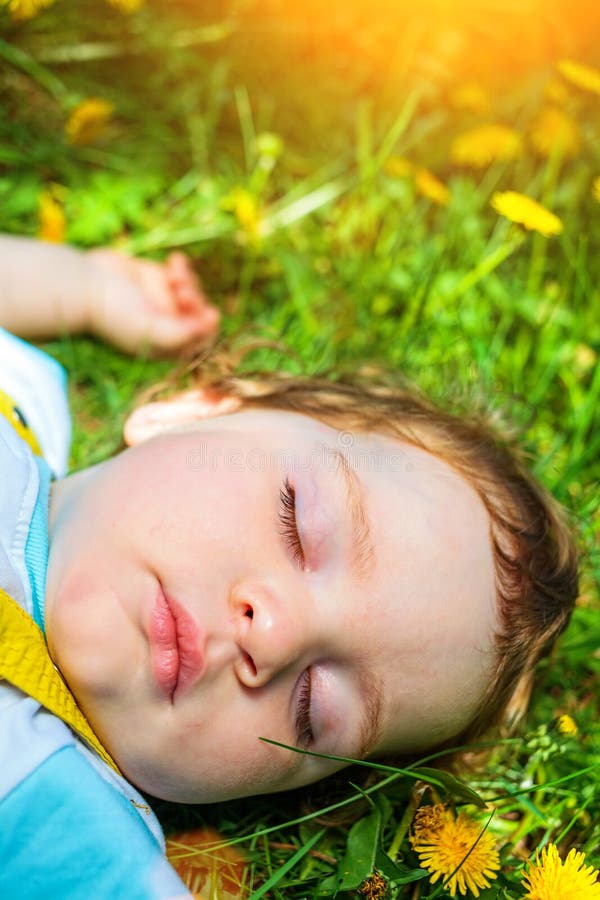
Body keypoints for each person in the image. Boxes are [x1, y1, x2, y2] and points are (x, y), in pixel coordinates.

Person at [0, 235, 578, 897]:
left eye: (313, 709)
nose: (274, 632)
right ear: (191, 413)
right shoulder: (24, 393)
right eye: (295, 523)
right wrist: (89, 289)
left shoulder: (63, 828)